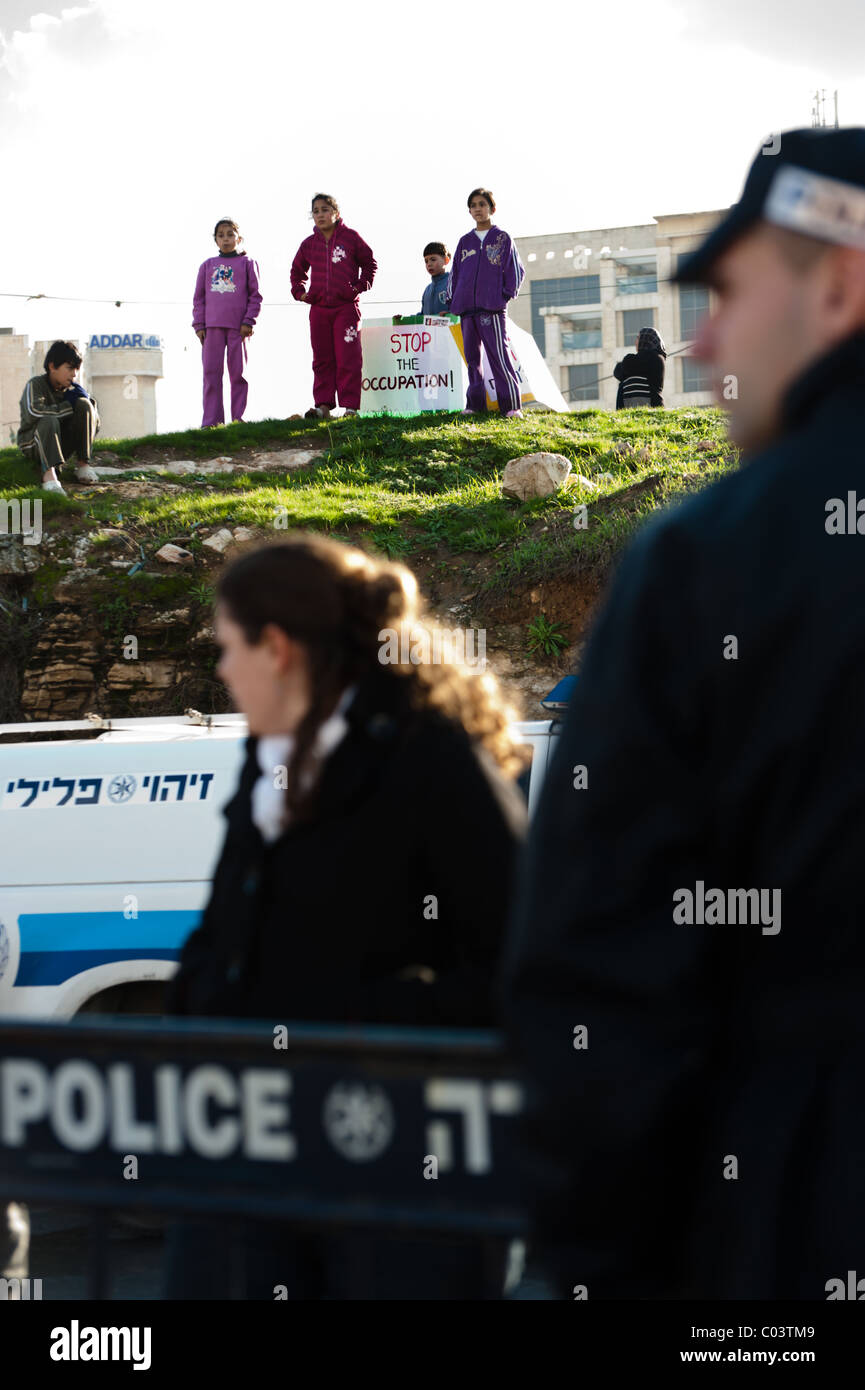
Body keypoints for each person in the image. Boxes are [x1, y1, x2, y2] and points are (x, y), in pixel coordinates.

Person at [500, 126, 865, 1300]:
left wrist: (583, 1264)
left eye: (724, 293)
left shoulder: (715, 560)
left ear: (841, 282)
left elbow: (597, 983)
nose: (700, 344)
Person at [164, 534, 527, 1298]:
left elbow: (522, 971)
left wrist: (359, 1024)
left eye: (227, 649)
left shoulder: (430, 759)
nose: (221, 672)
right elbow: (228, 927)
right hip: (249, 1165)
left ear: (278, 648)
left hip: (396, 1184)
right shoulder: (270, 759)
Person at [291, 194, 377, 420]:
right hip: (319, 310)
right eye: (316, 211)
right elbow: (297, 272)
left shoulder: (351, 238)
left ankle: (350, 408)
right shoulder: (309, 245)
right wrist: (300, 292)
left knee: (348, 356)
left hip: (346, 308)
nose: (320, 214)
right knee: (322, 358)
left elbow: (369, 263)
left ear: (336, 213)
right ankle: (323, 407)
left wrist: (357, 287)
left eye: (325, 209)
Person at [446, 188, 525, 419]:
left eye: (482, 204)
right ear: (469, 211)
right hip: (466, 310)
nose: (478, 209)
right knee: (472, 360)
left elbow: (516, 270)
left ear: (492, 208)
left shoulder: (503, 238)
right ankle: (475, 404)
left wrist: (505, 295)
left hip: (492, 308)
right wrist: (454, 299)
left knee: (499, 356)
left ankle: (511, 405)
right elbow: (455, 274)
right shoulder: (465, 242)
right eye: (473, 205)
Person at [192, 218, 262, 428]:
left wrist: (249, 320)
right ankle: (212, 422)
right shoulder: (207, 266)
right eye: (221, 235)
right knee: (211, 374)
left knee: (238, 374)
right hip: (211, 328)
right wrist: (199, 325)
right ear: (215, 240)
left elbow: (255, 295)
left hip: (238, 327)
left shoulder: (247, 264)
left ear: (238, 238)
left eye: (230, 234)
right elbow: (199, 298)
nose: (226, 239)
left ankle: (239, 419)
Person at [18, 340, 99, 495]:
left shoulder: (71, 390)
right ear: (52, 366)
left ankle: (83, 465)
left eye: (76, 369)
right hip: (33, 444)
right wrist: (69, 406)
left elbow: (95, 425)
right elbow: (35, 413)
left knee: (84, 404)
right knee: (49, 419)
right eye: (69, 368)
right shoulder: (36, 384)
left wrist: (88, 403)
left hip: (60, 444)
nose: (74, 374)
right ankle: (49, 475)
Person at [613, 326, 666, 408]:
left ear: (645, 339)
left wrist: (625, 363)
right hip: (631, 406)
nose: (636, 341)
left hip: (651, 405)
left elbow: (625, 366)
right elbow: (618, 372)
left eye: (638, 338)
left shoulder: (656, 359)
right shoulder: (643, 359)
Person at [421, 241, 451, 317]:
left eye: (433, 259)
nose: (429, 264)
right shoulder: (427, 290)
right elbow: (422, 316)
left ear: (446, 260)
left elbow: (462, 308)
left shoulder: (453, 283)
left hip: (451, 328)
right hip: (429, 329)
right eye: (426, 261)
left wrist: (451, 314)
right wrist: (402, 320)